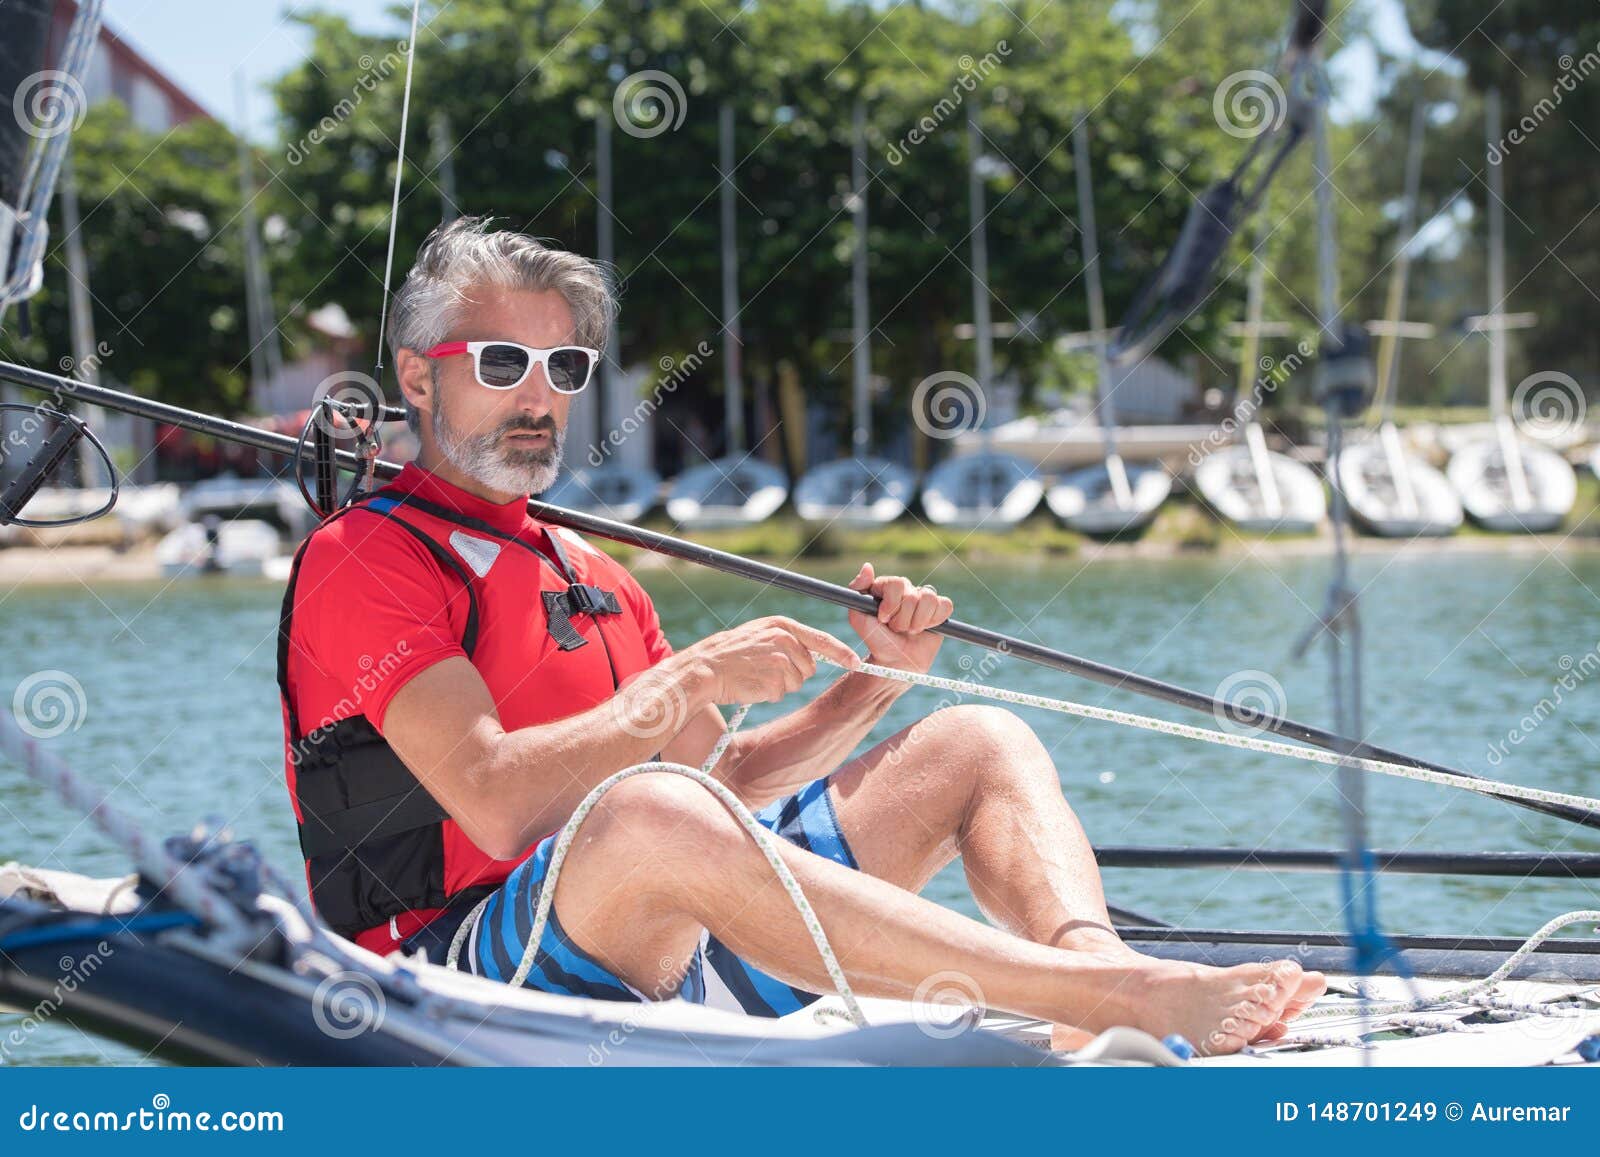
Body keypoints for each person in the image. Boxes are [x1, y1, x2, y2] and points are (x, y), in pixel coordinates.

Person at [278, 216, 1322, 1055]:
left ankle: (1084, 978)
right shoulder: (367, 557)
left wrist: (869, 681)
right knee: (651, 808)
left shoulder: (588, 572)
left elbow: (716, 795)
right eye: (502, 360)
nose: (539, 393)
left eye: (564, 364)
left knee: (976, 740)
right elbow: (498, 801)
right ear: (417, 378)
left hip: (663, 954)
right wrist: (683, 680)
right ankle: (1119, 993)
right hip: (455, 985)